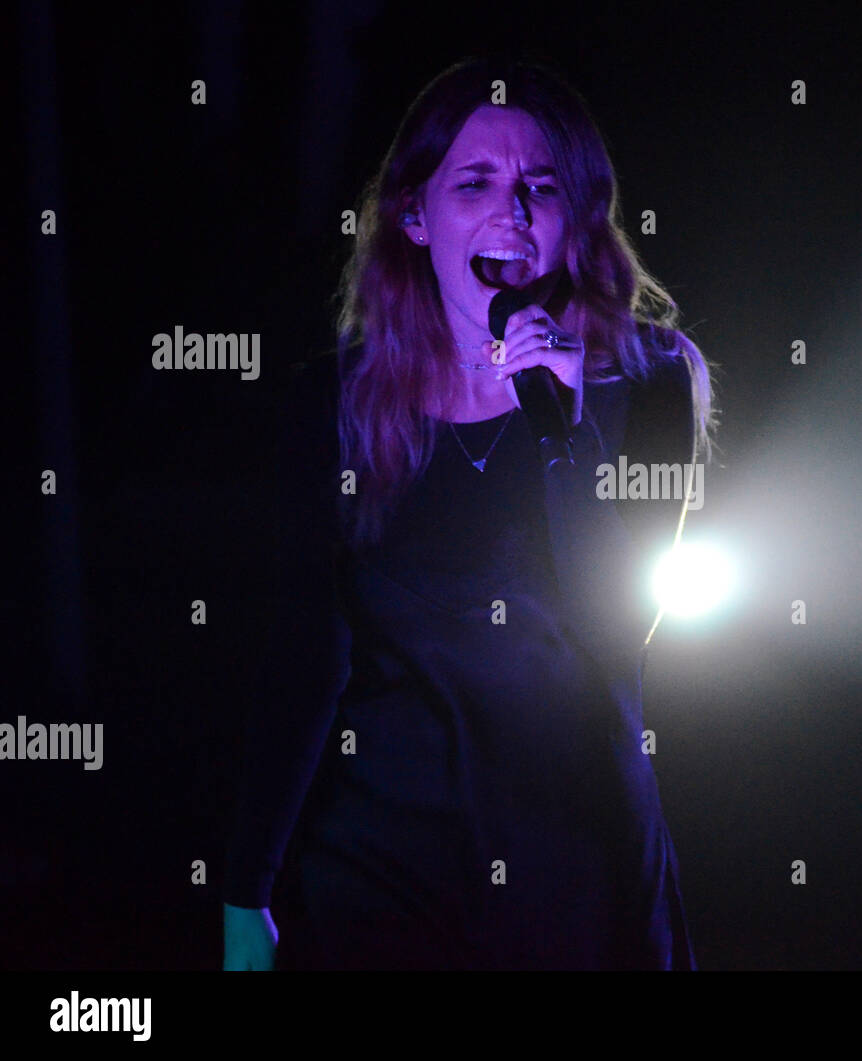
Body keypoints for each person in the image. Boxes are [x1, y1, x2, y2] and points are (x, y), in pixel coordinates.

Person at [221, 54, 717, 970]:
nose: (513, 214)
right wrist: (245, 887)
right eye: (476, 183)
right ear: (415, 215)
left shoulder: (648, 378)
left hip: (580, 876)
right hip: (378, 872)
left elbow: (617, 628)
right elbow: (304, 650)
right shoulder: (335, 401)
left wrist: (564, 430)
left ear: (578, 217)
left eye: (541, 187)